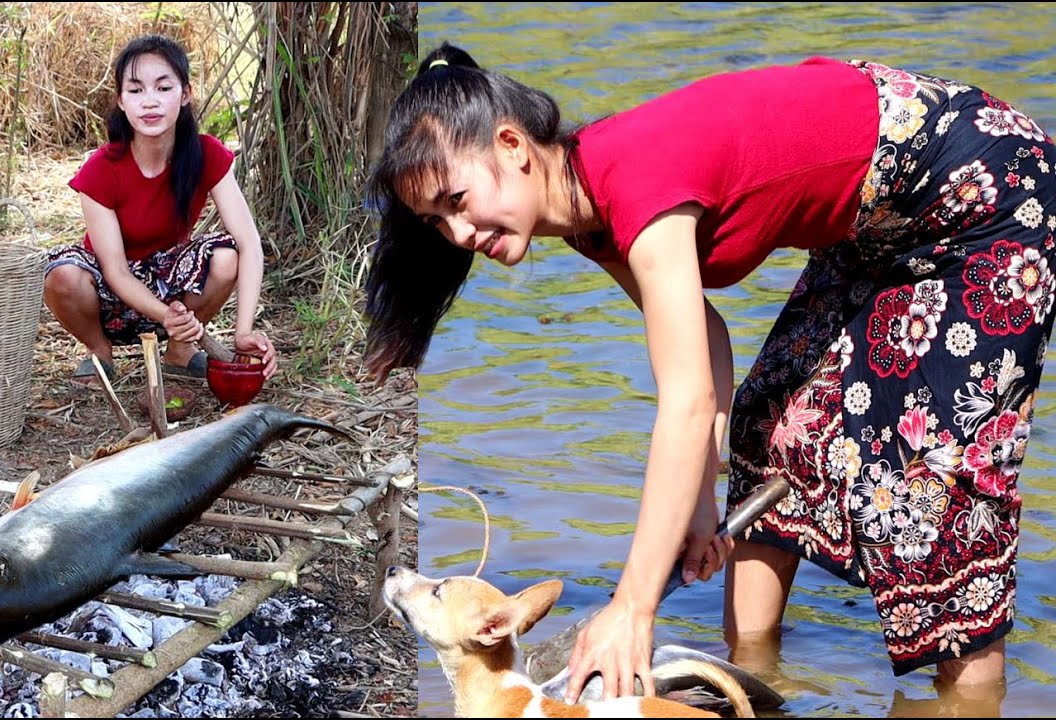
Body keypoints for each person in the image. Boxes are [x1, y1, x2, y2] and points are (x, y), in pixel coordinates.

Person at [362, 42, 1056, 703]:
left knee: (930, 490)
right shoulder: (585, 215)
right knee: (770, 426)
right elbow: (707, 337)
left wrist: (633, 607)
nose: (458, 235)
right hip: (883, 223)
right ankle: (757, 677)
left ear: (512, 146)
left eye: (456, 201)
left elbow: (688, 401)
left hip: (989, 189)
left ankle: (970, 705)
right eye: (436, 222)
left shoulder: (634, 191)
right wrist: (698, 511)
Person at [44, 34, 277, 388]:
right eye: (135, 90)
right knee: (61, 274)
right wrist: (167, 315)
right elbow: (117, 272)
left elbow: (250, 244)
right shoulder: (101, 169)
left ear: (185, 94)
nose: (149, 101)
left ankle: (180, 353)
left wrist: (243, 331)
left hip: (170, 282)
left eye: (163, 88)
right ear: (121, 100)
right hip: (110, 291)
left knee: (227, 256)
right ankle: (99, 352)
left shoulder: (206, 155)